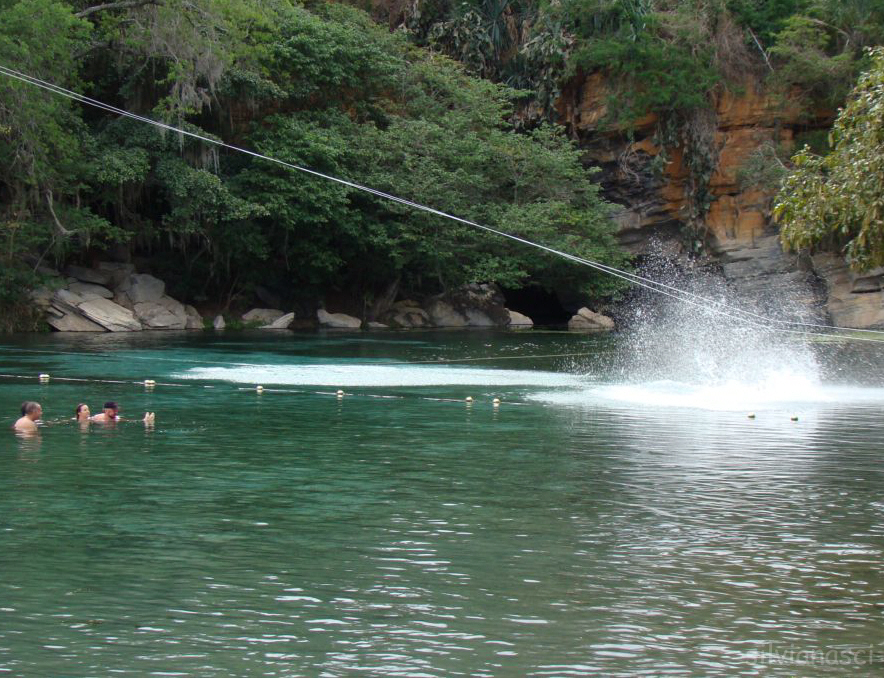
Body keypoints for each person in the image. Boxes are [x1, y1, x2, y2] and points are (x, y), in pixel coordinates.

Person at [91, 401, 155, 425]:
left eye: (116, 410)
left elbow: (130, 421)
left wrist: (144, 421)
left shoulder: (116, 419)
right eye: (114, 410)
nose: (116, 412)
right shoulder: (96, 418)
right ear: (105, 410)